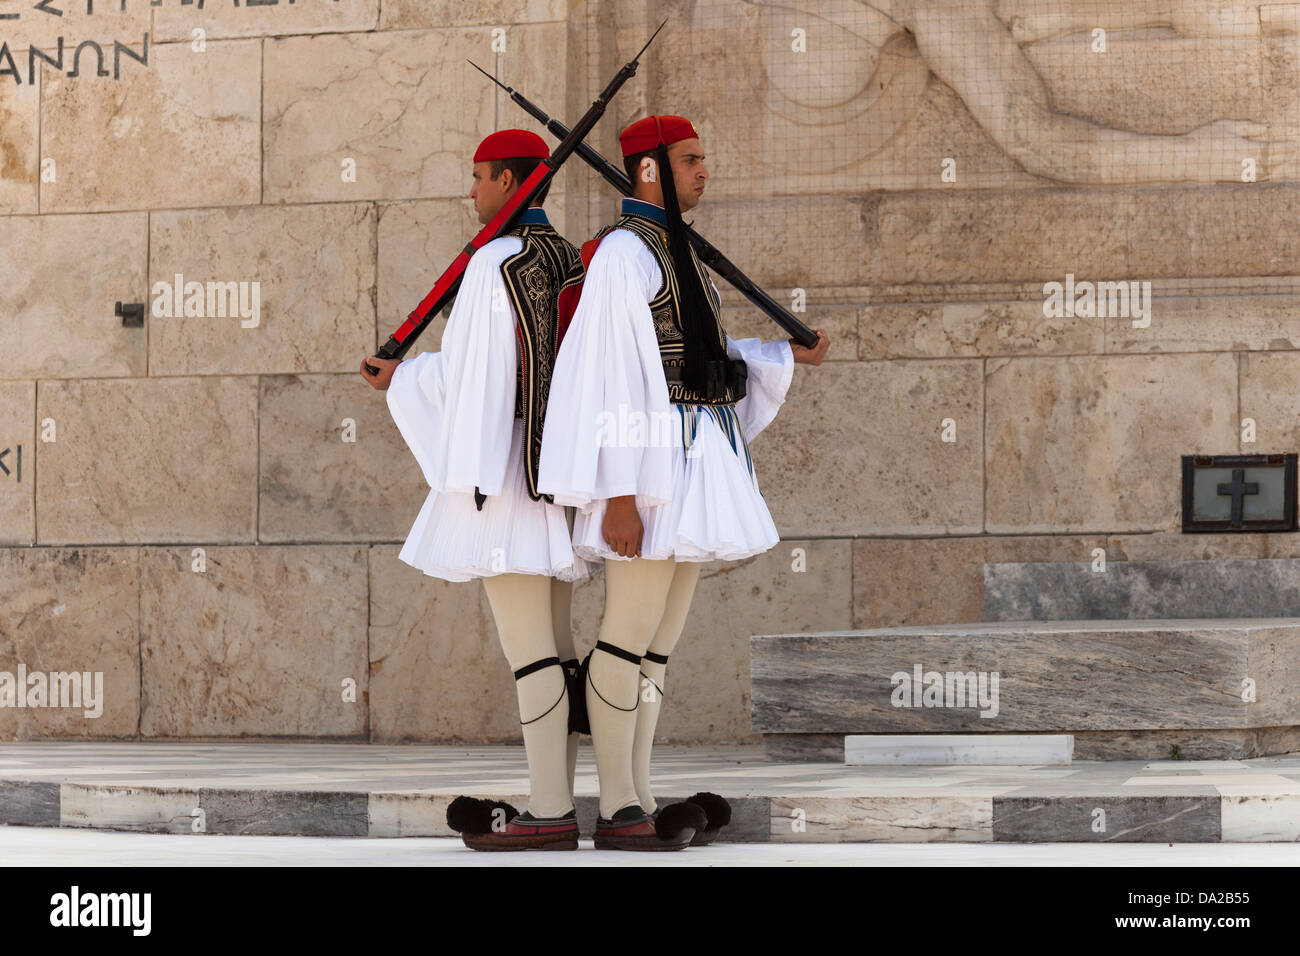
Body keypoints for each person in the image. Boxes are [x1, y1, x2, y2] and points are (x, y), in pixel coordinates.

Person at [538, 115, 831, 851]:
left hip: (697, 458)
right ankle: (615, 808)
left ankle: (638, 793)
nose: (705, 171)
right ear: (649, 170)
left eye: (704, 158)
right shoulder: (623, 258)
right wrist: (621, 493)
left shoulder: (681, 253)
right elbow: (609, 379)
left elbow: (705, 356)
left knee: (659, 641)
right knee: (627, 632)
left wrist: (785, 353)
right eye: (691, 160)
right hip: (650, 466)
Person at [361, 129, 591, 850]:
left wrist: (404, 379)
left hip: (506, 483)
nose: (472, 191)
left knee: (531, 655)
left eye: (481, 178)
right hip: (557, 477)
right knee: (556, 649)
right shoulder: (564, 254)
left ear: (510, 183)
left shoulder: (494, 262)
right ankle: (560, 799)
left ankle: (549, 812)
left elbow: (471, 386)